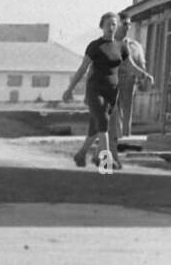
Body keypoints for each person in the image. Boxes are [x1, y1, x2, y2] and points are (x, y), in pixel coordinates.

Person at [62, 11, 146, 170]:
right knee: (103, 122)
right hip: (95, 91)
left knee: (96, 128)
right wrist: (70, 89)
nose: (111, 27)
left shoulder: (121, 47)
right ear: (102, 27)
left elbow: (130, 66)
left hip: (112, 93)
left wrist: (144, 75)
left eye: (114, 24)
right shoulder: (95, 46)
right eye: (108, 25)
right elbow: (82, 69)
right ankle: (107, 161)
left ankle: (81, 154)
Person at [113, 14, 152, 142]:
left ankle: (125, 139)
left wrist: (143, 79)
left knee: (127, 111)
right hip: (112, 81)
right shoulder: (109, 43)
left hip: (129, 82)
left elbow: (140, 64)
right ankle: (115, 139)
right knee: (114, 111)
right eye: (124, 24)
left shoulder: (135, 45)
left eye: (129, 24)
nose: (127, 27)